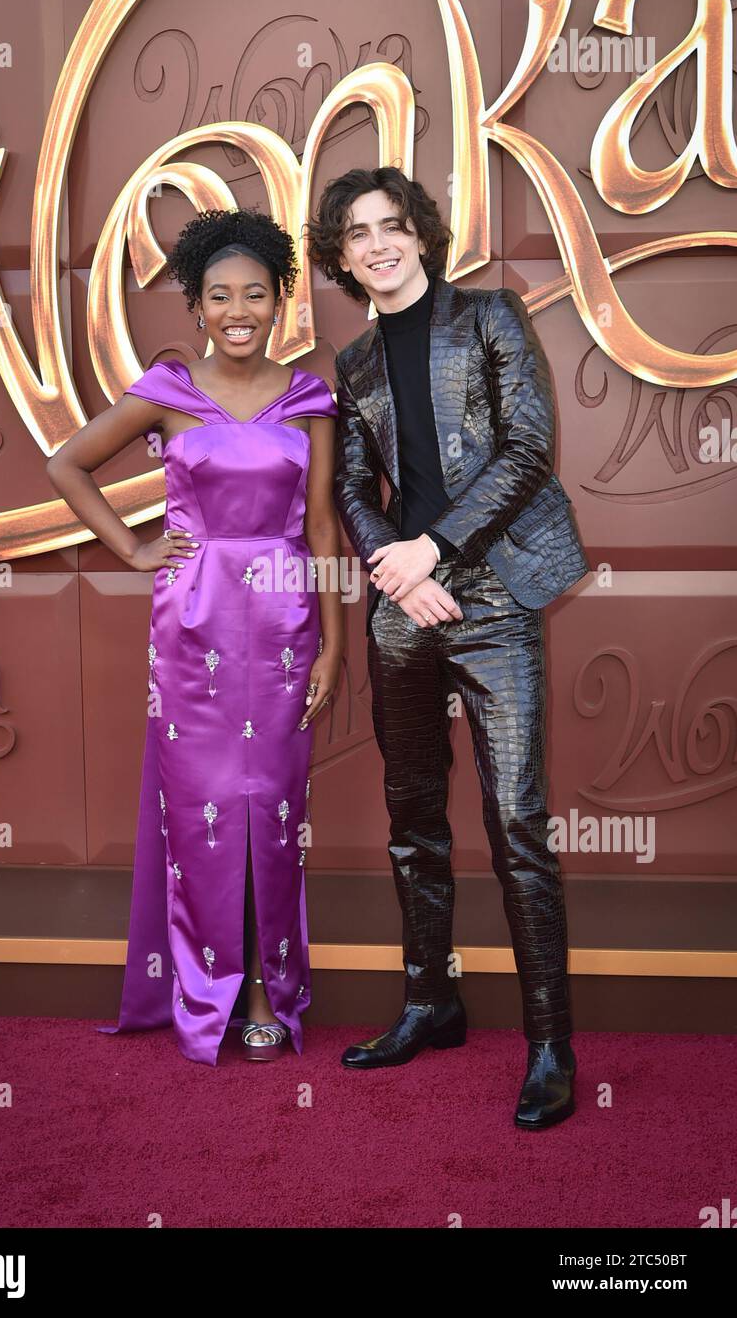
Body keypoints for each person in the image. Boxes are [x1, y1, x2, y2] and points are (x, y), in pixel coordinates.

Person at [306, 166, 590, 1128]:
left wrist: (435, 546)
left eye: (391, 226)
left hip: (494, 590)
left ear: (419, 236)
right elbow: (349, 490)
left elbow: (526, 448)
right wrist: (397, 564)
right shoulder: (353, 367)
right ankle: (431, 1001)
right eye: (357, 234)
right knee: (411, 816)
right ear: (340, 258)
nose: (377, 244)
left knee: (515, 821)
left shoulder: (492, 317)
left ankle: (549, 1040)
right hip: (403, 602)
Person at [47, 208, 341, 1065]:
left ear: (279, 301)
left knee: (273, 816)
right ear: (197, 306)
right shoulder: (165, 393)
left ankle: (265, 993)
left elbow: (322, 528)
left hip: (287, 623)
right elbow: (66, 463)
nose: (239, 308)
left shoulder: (309, 397)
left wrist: (335, 645)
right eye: (220, 295)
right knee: (205, 818)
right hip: (193, 624)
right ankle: (208, 990)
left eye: (256, 293)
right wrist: (133, 547)